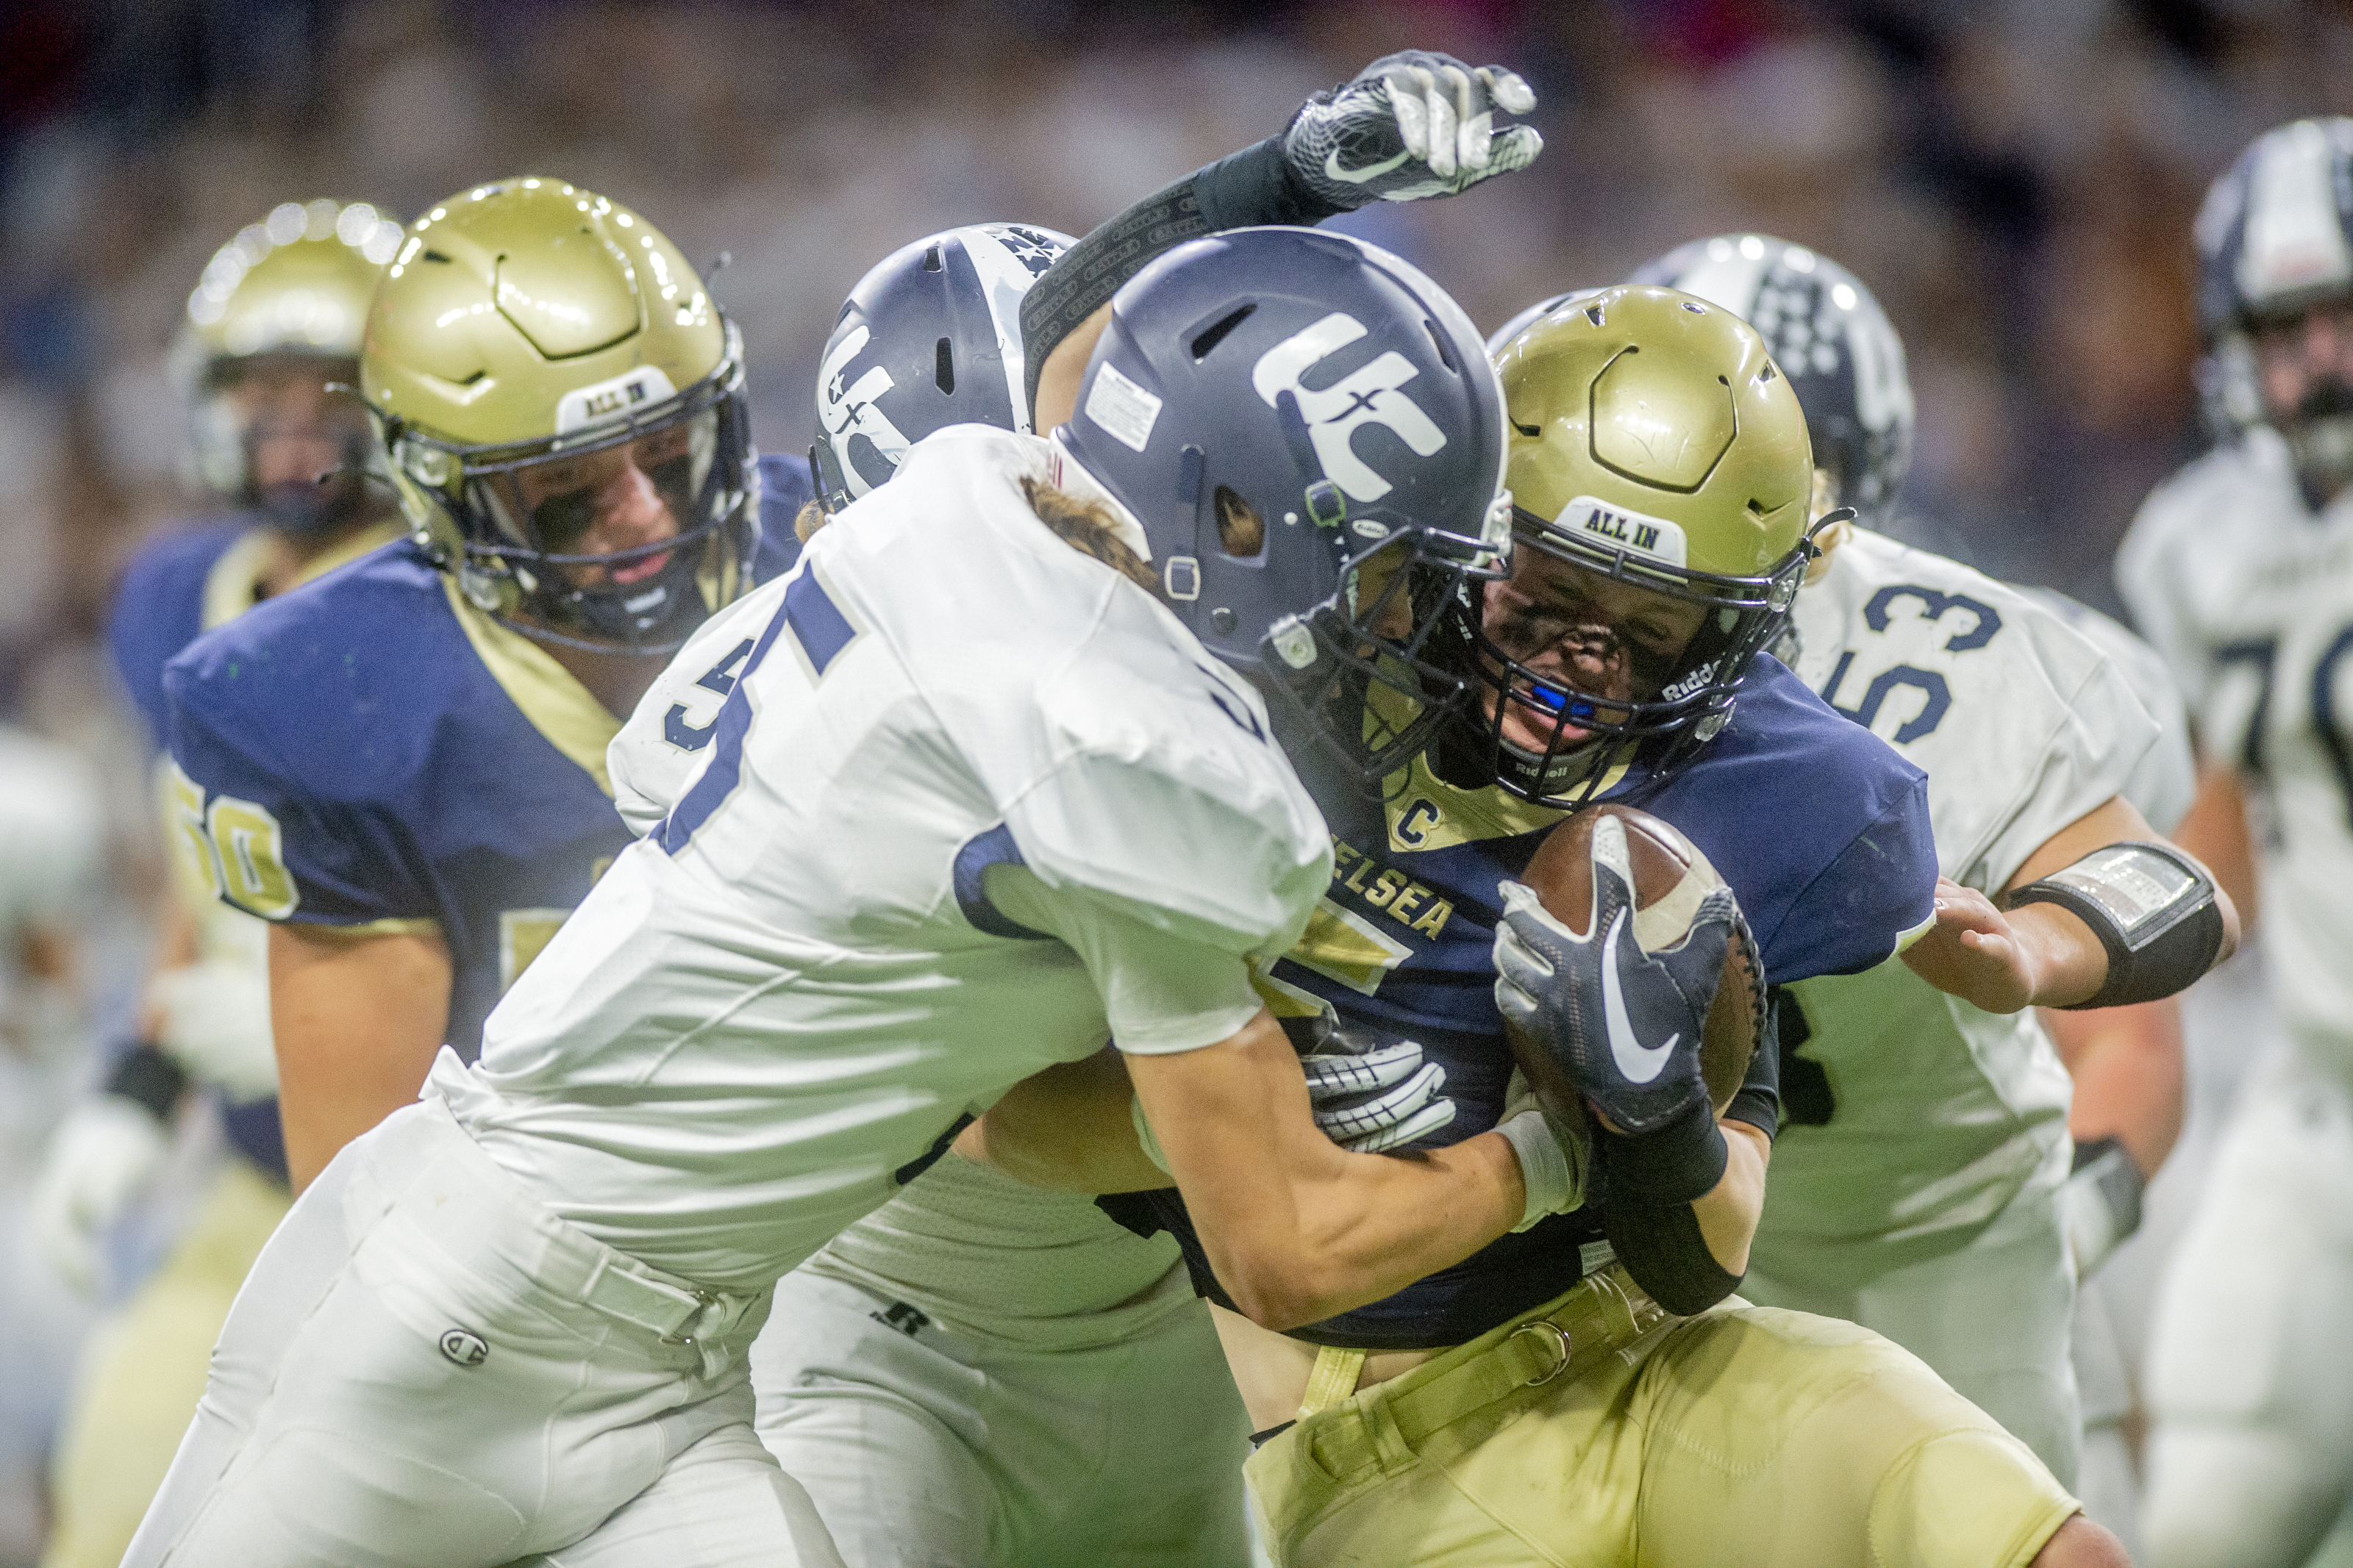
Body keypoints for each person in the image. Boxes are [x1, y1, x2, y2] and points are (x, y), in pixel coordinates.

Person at [124, 203, 1600, 1562]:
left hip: (683, 1355)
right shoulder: (1153, 769)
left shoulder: (949, 499)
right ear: (1236, 522)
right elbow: (1286, 1247)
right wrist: (1561, 1144)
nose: (1411, 626)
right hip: (451, 1313)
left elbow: (655, 762)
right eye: (1391, 579)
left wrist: (1270, 176)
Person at [988, 279, 2133, 1567]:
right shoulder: (1273, 672)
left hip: (1650, 1354)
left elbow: (1711, 1248)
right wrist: (1255, 1116)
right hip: (1341, 1433)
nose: (1580, 661)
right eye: (1542, 593)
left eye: (1651, 630)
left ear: (1733, 639)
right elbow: (1003, 1121)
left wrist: (1653, 1118)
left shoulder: (1793, 798)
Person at [1627, 233, 2227, 1492]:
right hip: (1640, 1218)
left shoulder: (1944, 653)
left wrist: (2045, 959)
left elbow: (2178, 909)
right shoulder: (1534, 635)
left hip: (1927, 1225)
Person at [29, 198, 406, 1568]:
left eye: (336, 389)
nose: (295, 423)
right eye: (263, 388)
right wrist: (138, 1092)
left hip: (448, 1183)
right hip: (256, 1180)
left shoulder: (464, 610)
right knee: (115, 1483)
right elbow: (207, 865)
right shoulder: (174, 597)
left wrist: (371, 1040)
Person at [2117, 115, 2353, 1568]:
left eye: (2348, 313)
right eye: (2286, 324)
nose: (2321, 357)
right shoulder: (2195, 541)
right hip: (2320, 1098)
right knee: (2204, 1504)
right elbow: (2212, 863)